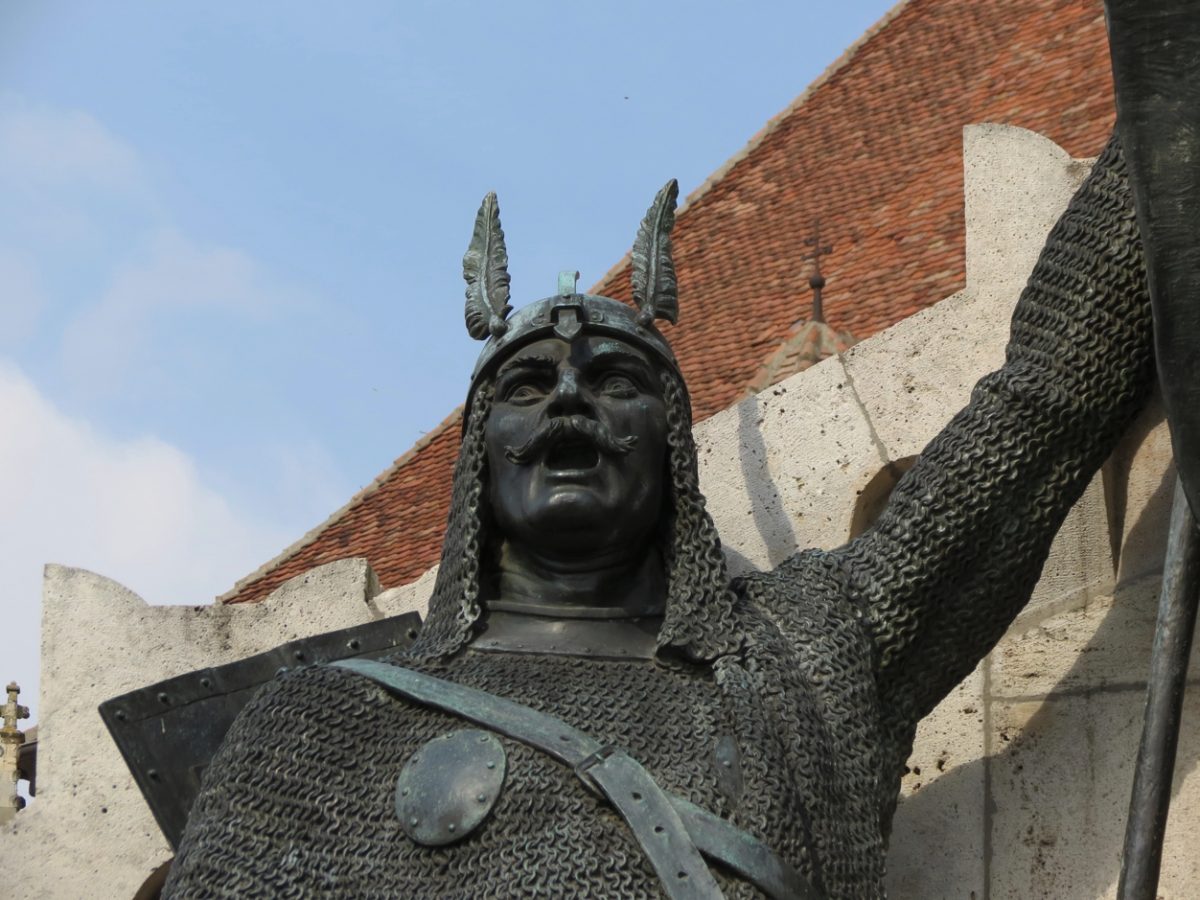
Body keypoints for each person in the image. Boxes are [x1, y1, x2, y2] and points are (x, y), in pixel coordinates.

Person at [162, 134, 1153, 899]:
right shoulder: (320, 723)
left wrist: (1170, 105)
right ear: (480, 456)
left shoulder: (801, 662)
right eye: (529, 385)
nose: (568, 402)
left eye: (614, 380)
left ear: (671, 444)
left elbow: (1042, 411)